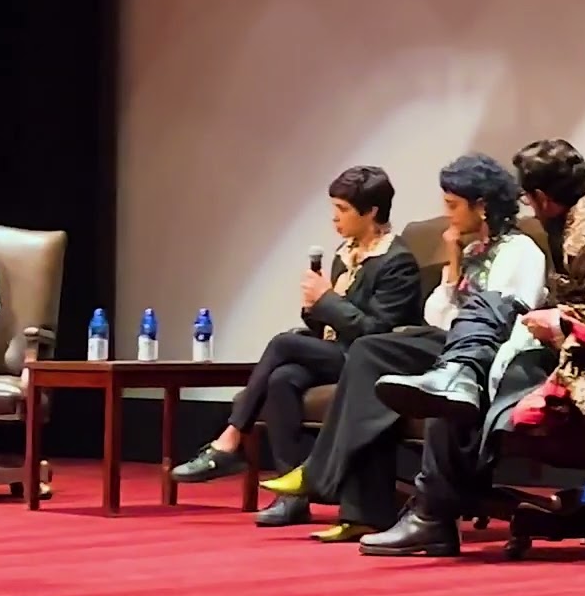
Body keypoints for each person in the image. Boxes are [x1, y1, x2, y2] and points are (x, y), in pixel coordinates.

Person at [360, 138, 585, 556]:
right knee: (466, 361)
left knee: (464, 375)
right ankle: (457, 384)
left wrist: (562, 321)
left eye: (528, 198)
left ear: (542, 197)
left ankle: (432, 515)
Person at [259, 153, 548, 542]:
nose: (447, 215)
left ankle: (319, 472)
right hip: (449, 342)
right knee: (369, 355)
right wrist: (452, 263)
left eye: (452, 205)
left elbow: (503, 318)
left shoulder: (520, 251)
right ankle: (361, 510)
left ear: (482, 206)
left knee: (371, 350)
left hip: (481, 353)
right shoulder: (469, 249)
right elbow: (438, 315)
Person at [169, 166, 424, 528]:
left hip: (371, 361)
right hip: (340, 353)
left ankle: (229, 438)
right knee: (283, 379)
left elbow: (376, 332)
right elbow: (329, 326)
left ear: (370, 212)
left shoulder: (397, 262)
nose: (335, 218)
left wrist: (328, 302)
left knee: (283, 344)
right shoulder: (345, 254)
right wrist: (315, 310)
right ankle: (293, 498)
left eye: (343, 210)